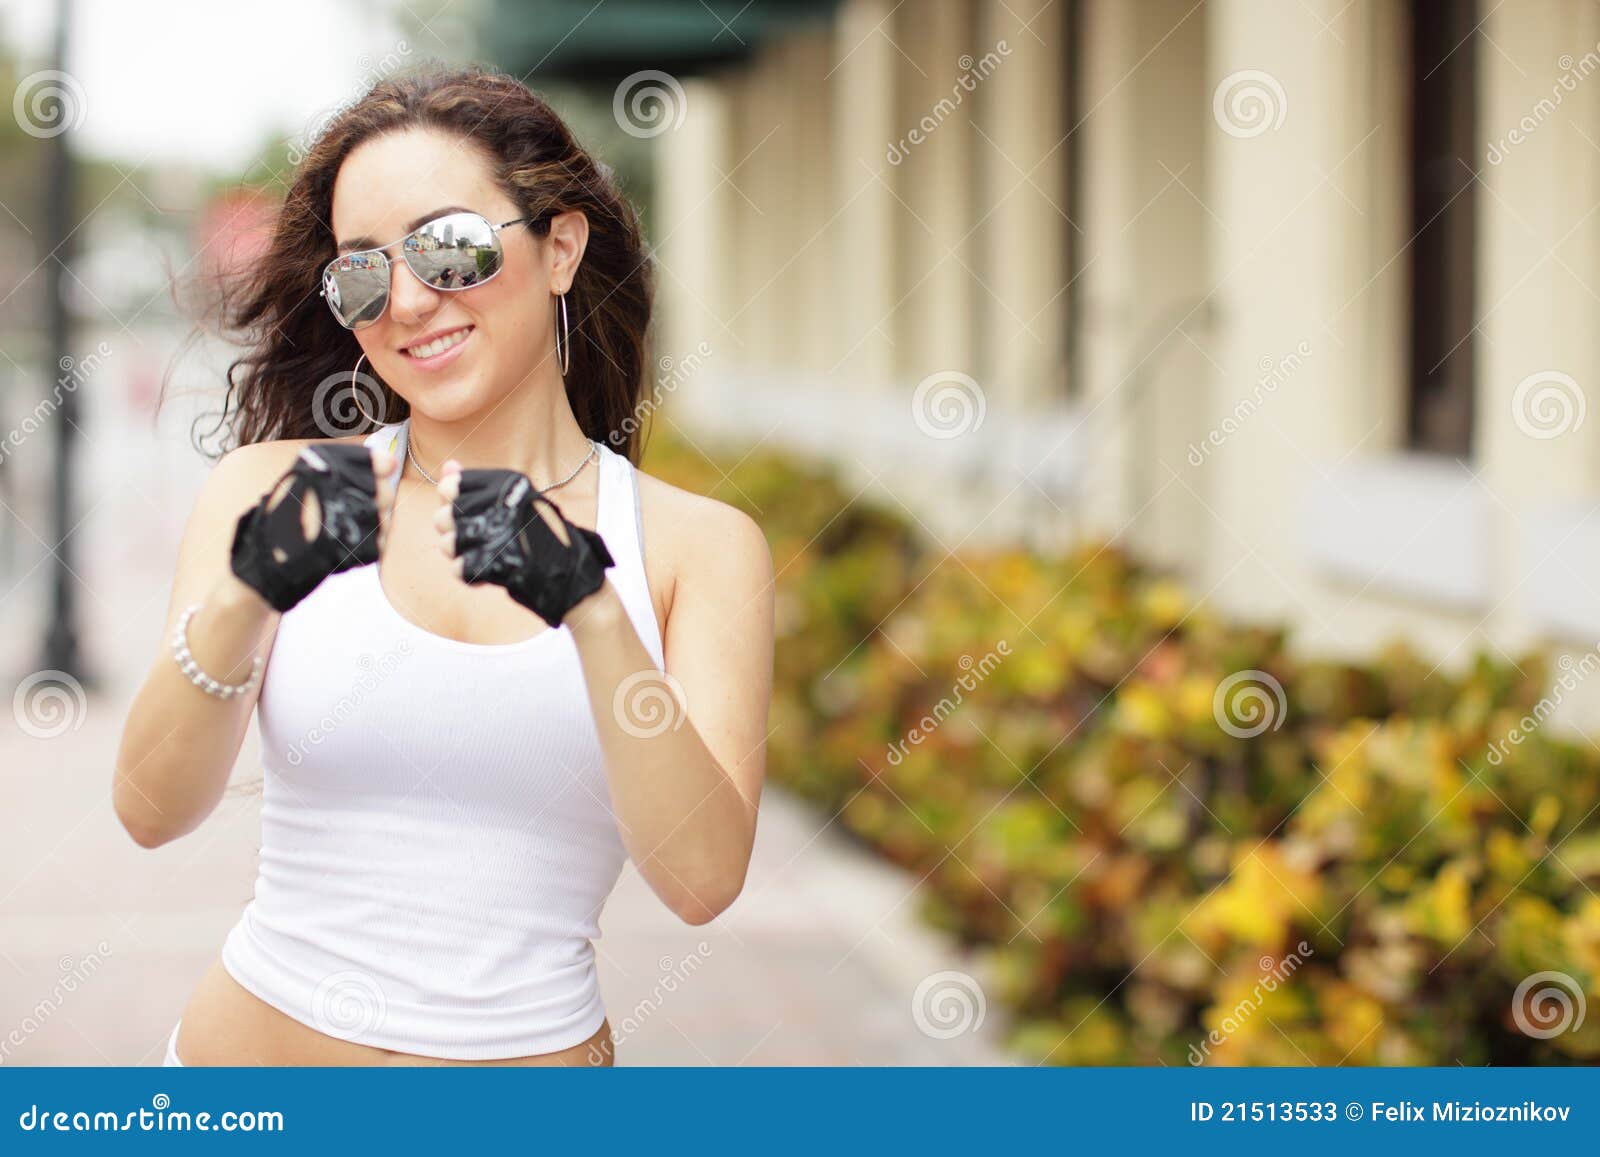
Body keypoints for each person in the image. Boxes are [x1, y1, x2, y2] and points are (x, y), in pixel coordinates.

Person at [115, 63, 774, 1067]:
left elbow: (701, 879)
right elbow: (150, 811)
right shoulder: (273, 494)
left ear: (560, 248)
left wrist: (593, 611)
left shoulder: (696, 547)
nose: (410, 301)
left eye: (451, 247)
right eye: (362, 272)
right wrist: (247, 593)